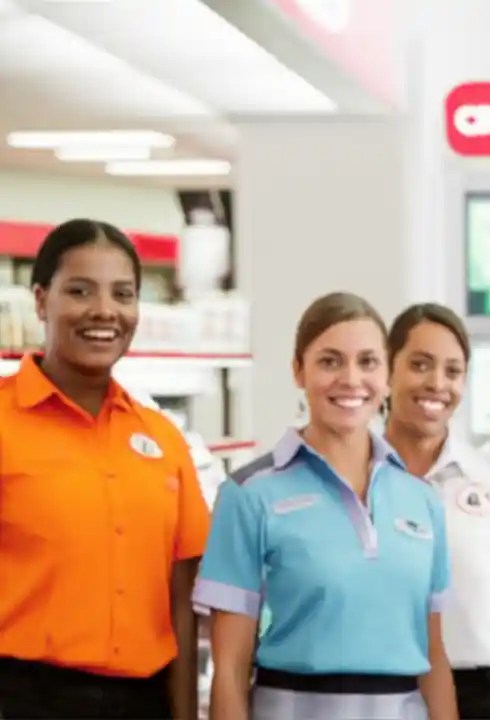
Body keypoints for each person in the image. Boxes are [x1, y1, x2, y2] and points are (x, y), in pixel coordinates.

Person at [194, 292, 458, 720]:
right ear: (299, 371)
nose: (351, 379)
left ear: (387, 374)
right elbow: (229, 668)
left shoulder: (422, 500)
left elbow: (435, 658)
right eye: (330, 361)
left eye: (368, 362)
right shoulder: (249, 494)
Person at [0, 218, 209, 720]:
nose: (104, 311)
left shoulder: (163, 438)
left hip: (145, 702)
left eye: (123, 294)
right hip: (24, 699)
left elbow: (181, 604)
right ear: (40, 299)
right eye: (80, 291)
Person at [383, 303, 490, 719]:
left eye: (452, 371)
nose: (436, 384)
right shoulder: (354, 481)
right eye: (420, 365)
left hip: (481, 692)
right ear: (388, 370)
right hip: (375, 689)